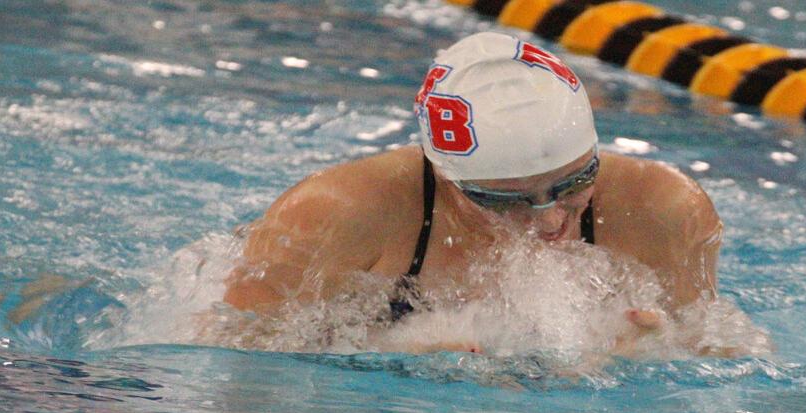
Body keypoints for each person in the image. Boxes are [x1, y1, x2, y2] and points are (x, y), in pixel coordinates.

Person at [222, 32, 723, 354]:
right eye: (505, 200)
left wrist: (658, 356)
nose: (550, 221)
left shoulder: (664, 210)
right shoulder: (341, 214)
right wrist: (388, 355)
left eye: (573, 183)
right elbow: (234, 358)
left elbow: (725, 356)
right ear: (445, 177)